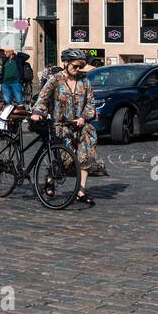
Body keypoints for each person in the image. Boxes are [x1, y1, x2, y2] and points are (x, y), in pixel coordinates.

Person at [32, 53, 98, 208]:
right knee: (62, 160)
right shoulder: (56, 79)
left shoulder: (85, 81)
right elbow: (43, 97)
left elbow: (90, 102)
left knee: (85, 157)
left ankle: (80, 192)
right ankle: (50, 180)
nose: (77, 69)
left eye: (80, 66)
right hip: (60, 127)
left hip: (81, 126)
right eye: (74, 66)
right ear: (66, 63)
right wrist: (38, 112)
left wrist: (83, 117)